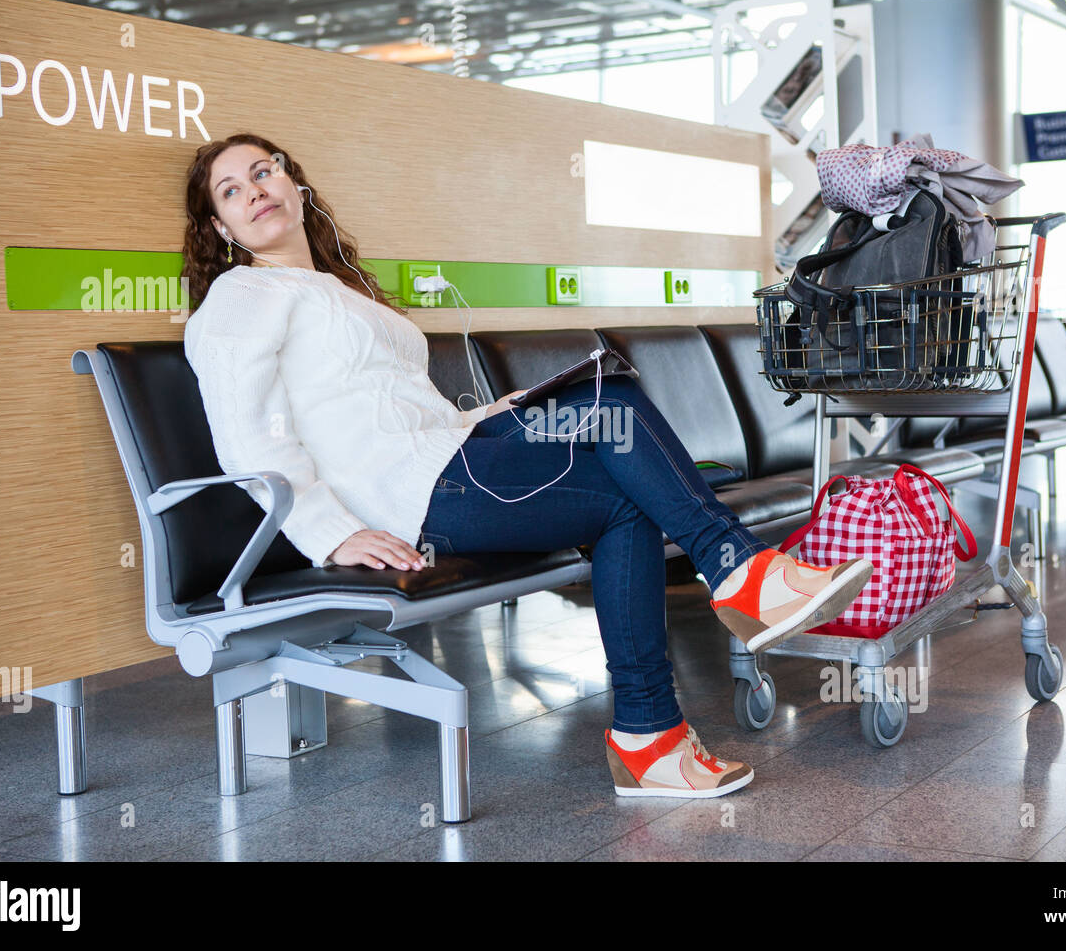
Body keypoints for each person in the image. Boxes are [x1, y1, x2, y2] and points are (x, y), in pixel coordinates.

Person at [181, 133, 872, 800]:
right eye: (232, 190)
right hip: (413, 496)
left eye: (263, 171)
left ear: (295, 185)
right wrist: (329, 531)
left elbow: (409, 416)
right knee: (614, 406)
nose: (255, 191)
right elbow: (248, 440)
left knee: (622, 476)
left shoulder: (339, 291)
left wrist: (494, 413)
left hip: (449, 460)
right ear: (223, 227)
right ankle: (739, 576)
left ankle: (651, 737)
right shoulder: (241, 298)